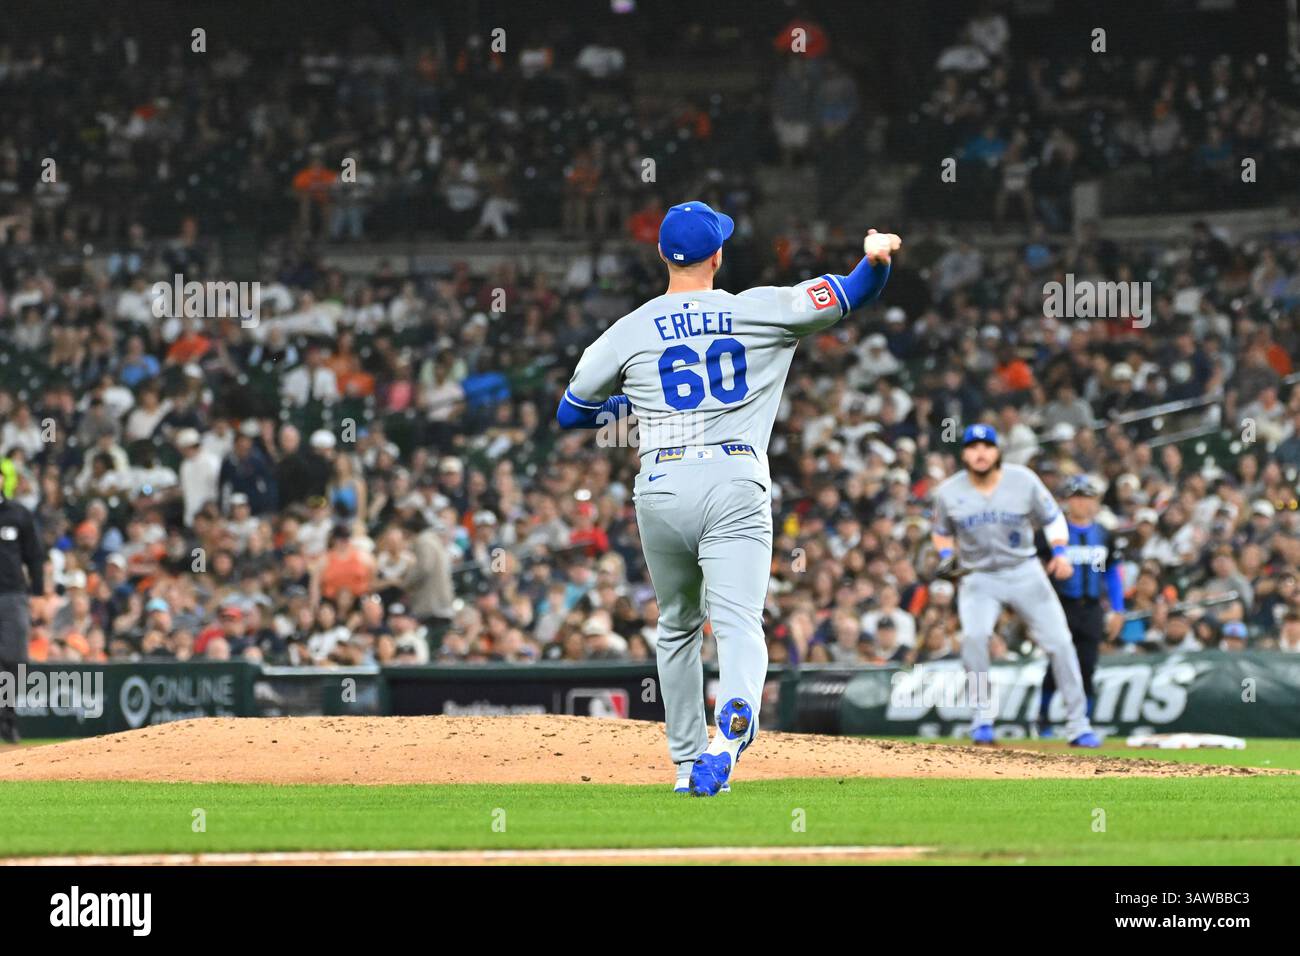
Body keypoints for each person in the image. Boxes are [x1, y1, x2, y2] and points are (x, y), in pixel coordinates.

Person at [557, 199, 899, 795]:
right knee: (737, 623)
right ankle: (731, 729)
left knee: (677, 626)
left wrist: (638, 410)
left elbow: (571, 412)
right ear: (718, 255)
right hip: (734, 480)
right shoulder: (760, 308)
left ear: (662, 254)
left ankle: (688, 764)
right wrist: (877, 259)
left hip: (661, 485)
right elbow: (854, 291)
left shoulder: (628, 329)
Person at [930, 424, 1100, 747]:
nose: (980, 453)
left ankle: (1079, 724)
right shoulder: (949, 492)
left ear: (997, 452)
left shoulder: (1023, 480)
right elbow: (940, 529)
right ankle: (981, 720)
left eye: (987, 446)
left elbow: (1052, 518)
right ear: (964, 454)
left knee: (1061, 642)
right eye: (972, 447)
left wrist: (1060, 551)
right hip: (978, 575)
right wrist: (945, 553)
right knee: (974, 638)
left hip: (1024, 569)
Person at [1037, 475, 1124, 737]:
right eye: (1078, 497)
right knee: (1057, 663)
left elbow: (1111, 573)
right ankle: (1043, 718)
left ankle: (1083, 721)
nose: (1084, 503)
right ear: (1068, 500)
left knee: (1087, 663)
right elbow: (1036, 570)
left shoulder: (1104, 534)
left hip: (1091, 608)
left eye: (1088, 497)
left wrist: (1118, 609)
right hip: (1061, 606)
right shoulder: (1054, 533)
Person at [0, 488, 44, 744]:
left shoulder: (19, 513)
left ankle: (8, 717)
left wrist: (38, 594)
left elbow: (35, 556)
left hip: (12, 595)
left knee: (15, 659)